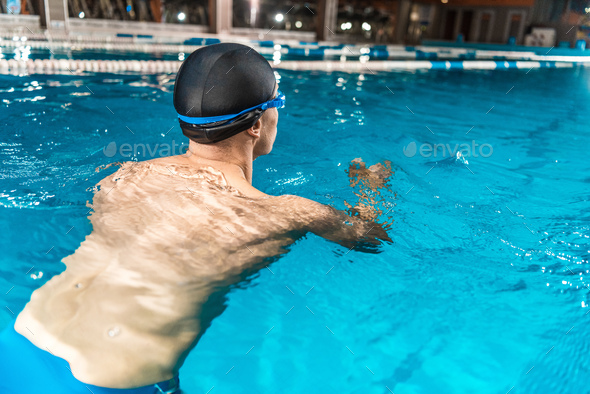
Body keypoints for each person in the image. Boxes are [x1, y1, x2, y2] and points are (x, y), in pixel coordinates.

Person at [0, 43, 391, 393]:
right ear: (257, 123)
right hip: (106, 383)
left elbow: (134, 281)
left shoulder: (125, 176)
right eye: (278, 103)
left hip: (20, 342)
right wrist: (371, 186)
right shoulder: (289, 212)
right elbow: (372, 238)